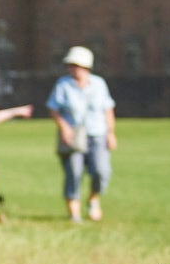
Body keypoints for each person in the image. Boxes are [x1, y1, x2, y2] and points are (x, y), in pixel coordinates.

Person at [45, 45, 118, 223]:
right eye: (70, 65)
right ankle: (74, 214)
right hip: (73, 136)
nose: (72, 68)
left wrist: (111, 133)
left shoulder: (99, 84)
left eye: (75, 65)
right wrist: (64, 127)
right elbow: (53, 108)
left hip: (96, 133)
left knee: (101, 172)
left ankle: (93, 199)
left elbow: (107, 109)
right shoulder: (63, 85)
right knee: (74, 173)